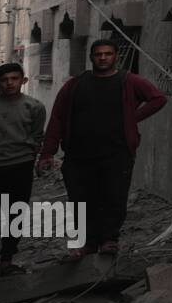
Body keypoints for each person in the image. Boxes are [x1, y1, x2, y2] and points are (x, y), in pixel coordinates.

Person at [38, 39, 165, 259]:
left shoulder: (129, 81)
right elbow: (57, 119)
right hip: (78, 156)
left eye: (108, 53)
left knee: (113, 197)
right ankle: (88, 243)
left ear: (116, 56)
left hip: (116, 154)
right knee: (81, 200)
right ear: (91, 57)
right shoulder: (75, 85)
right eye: (98, 54)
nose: (103, 58)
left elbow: (158, 98)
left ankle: (109, 240)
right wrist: (47, 153)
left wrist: (132, 118)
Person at [0, 63, 47, 275]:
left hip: (19, 166)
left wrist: (34, 159)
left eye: (14, 78)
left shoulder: (35, 107)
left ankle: (6, 260)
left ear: (23, 80)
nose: (9, 83)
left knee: (15, 214)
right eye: (4, 79)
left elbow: (37, 137)